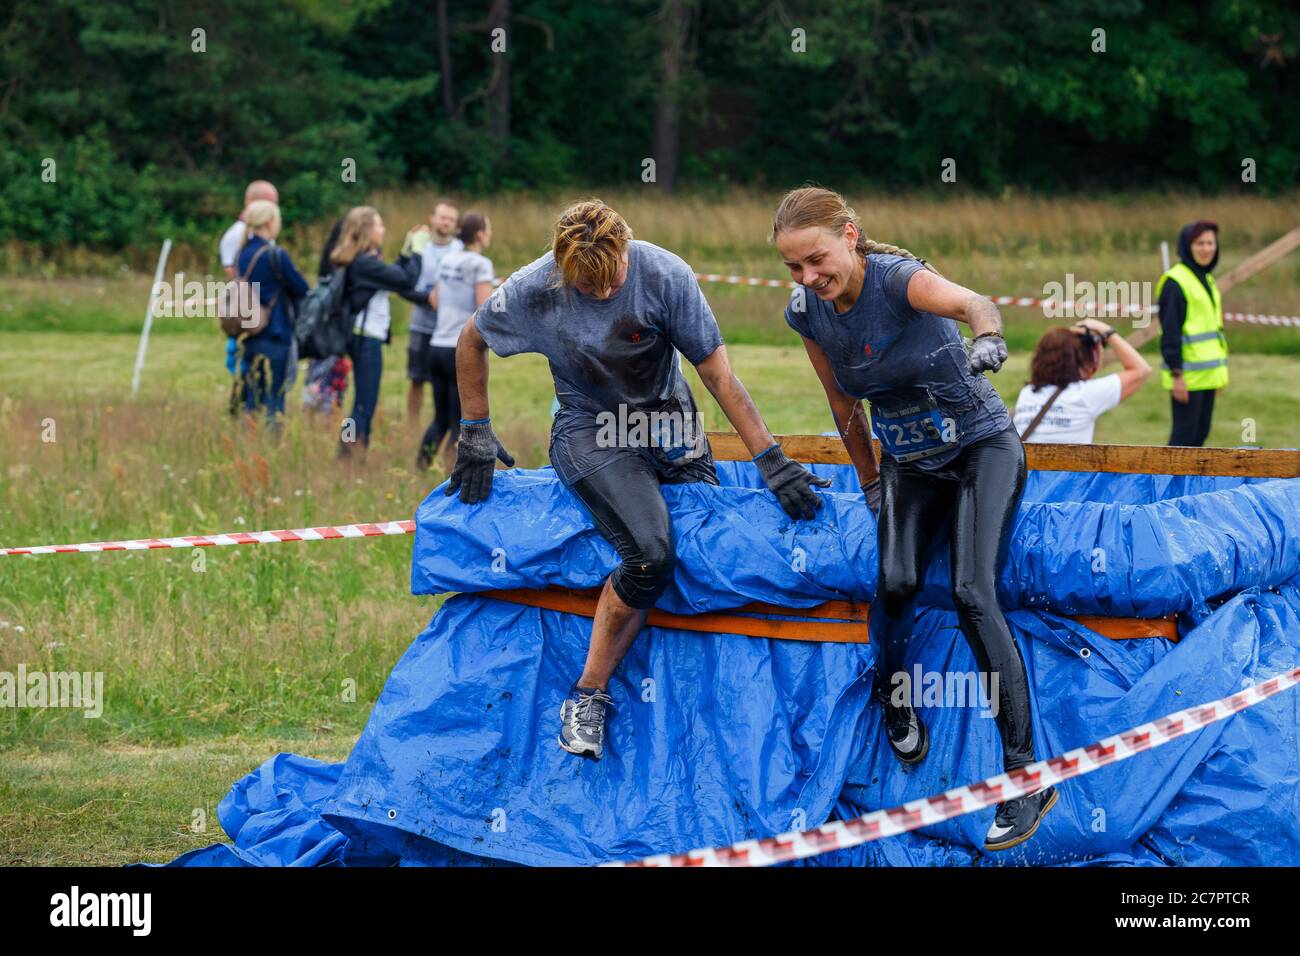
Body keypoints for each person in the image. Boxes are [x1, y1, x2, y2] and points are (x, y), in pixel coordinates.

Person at [449, 198, 828, 761]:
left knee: (700, 552)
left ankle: (701, 708)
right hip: (591, 430)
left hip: (669, 425)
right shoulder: (536, 287)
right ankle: (587, 695)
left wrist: (770, 461)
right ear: (563, 268)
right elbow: (470, 340)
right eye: (587, 287)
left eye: (611, 282)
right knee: (651, 553)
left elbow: (719, 376)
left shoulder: (665, 275)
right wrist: (475, 427)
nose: (602, 295)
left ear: (626, 248)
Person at [771, 185, 1053, 851]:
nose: (809, 278)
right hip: (909, 464)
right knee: (894, 583)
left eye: (816, 260)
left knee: (969, 591)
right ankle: (896, 698)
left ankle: (1024, 778)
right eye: (794, 268)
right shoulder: (807, 312)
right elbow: (842, 406)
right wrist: (871, 481)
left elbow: (973, 303)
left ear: (849, 234)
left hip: (981, 449)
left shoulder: (900, 281)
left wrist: (987, 338)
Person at [328, 206, 427, 457]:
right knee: (365, 403)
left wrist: (405, 253)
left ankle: (351, 453)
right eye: (379, 225)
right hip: (365, 338)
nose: (383, 229)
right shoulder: (363, 263)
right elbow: (406, 281)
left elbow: (394, 275)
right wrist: (418, 251)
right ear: (367, 230)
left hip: (362, 336)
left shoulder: (363, 260)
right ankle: (349, 455)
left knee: (363, 401)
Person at [417, 212, 493, 470]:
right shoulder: (481, 265)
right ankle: (452, 476)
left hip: (436, 344)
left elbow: (434, 300)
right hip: (461, 351)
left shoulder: (448, 258)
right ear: (480, 234)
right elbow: (484, 310)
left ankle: (420, 467)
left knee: (439, 419)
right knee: (459, 423)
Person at [1012, 318, 1150, 443]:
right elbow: (1141, 370)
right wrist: (1106, 330)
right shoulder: (1085, 395)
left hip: (1024, 470)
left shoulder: (1027, 394)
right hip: (1068, 471)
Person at [234, 200, 308, 423]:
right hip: (276, 331)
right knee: (275, 399)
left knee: (252, 397)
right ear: (269, 222)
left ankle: (249, 442)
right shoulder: (275, 254)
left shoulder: (243, 253)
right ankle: (271, 448)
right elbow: (302, 288)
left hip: (250, 331)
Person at [1158, 221, 1227, 447]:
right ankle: (1167, 482)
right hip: (1187, 377)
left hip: (1208, 375)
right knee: (1183, 440)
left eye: (1210, 243)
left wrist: (1219, 376)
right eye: (1200, 243)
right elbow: (1170, 334)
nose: (1207, 248)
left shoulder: (1206, 278)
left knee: (1200, 435)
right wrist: (1177, 376)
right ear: (1187, 246)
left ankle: (1189, 483)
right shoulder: (1176, 282)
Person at [221, 180, 279, 416]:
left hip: (265, 310)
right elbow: (235, 275)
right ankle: (245, 409)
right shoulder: (237, 235)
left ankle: (255, 406)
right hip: (249, 309)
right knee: (248, 364)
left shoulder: (263, 234)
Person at [407, 200, 463, 424]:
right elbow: (404, 282)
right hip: (421, 323)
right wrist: (427, 299)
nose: (446, 222)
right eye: (442, 217)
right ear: (432, 218)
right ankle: (412, 426)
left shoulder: (460, 249)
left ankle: (447, 425)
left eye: (451, 219)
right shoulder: (419, 247)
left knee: (451, 381)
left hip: (450, 327)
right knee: (417, 378)